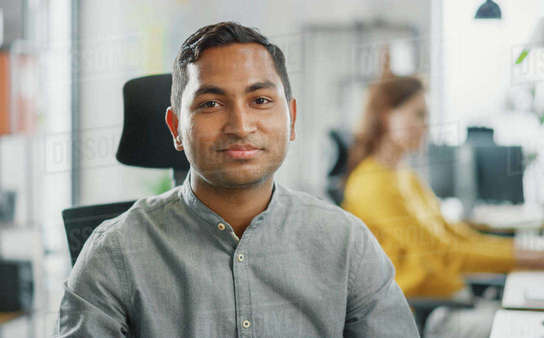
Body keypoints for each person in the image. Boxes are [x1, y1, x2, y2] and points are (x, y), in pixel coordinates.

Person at [57, 22, 419, 337]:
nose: (241, 126)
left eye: (260, 100)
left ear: (291, 118)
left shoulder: (346, 244)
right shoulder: (115, 253)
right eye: (211, 104)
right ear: (176, 129)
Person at [342, 73, 544, 337]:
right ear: (385, 116)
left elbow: (455, 234)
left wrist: (529, 253)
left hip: (449, 301)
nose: (426, 125)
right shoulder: (373, 183)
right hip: (421, 316)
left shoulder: (402, 175)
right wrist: (535, 259)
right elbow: (443, 255)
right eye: (418, 114)